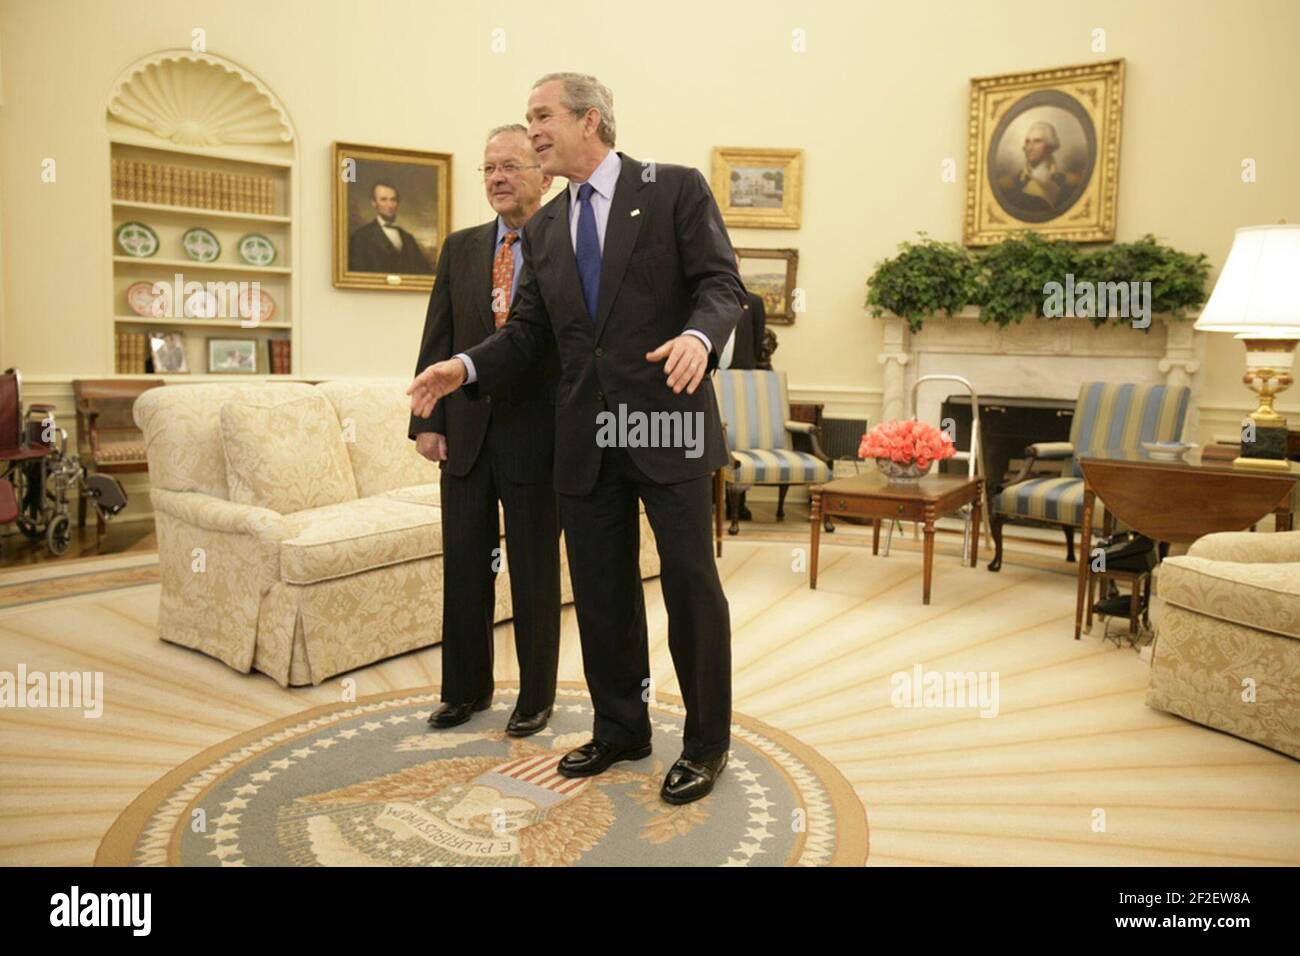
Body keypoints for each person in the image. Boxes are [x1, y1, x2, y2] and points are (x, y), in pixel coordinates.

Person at [410, 72, 744, 805]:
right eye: (528, 116)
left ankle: (705, 742)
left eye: (541, 116)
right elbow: (528, 334)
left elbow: (723, 284)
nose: (530, 131)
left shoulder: (673, 189)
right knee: (600, 590)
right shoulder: (547, 228)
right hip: (585, 435)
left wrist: (698, 335)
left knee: (689, 585)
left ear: (589, 121)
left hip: (669, 421)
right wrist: (462, 366)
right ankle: (621, 726)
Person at [408, 125, 560, 737]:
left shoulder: (563, 244)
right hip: (466, 436)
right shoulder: (461, 246)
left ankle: (535, 698)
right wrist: (426, 423)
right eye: (489, 168)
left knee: (533, 572)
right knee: (466, 567)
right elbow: (438, 335)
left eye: (511, 167)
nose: (497, 178)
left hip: (537, 435)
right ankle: (465, 691)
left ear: (544, 178)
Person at [349, 181, 435, 274]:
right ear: (374, 203)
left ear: (397, 203)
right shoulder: (361, 237)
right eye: (384, 199)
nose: (389, 205)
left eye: (393, 200)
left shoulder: (408, 239)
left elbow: (425, 273)